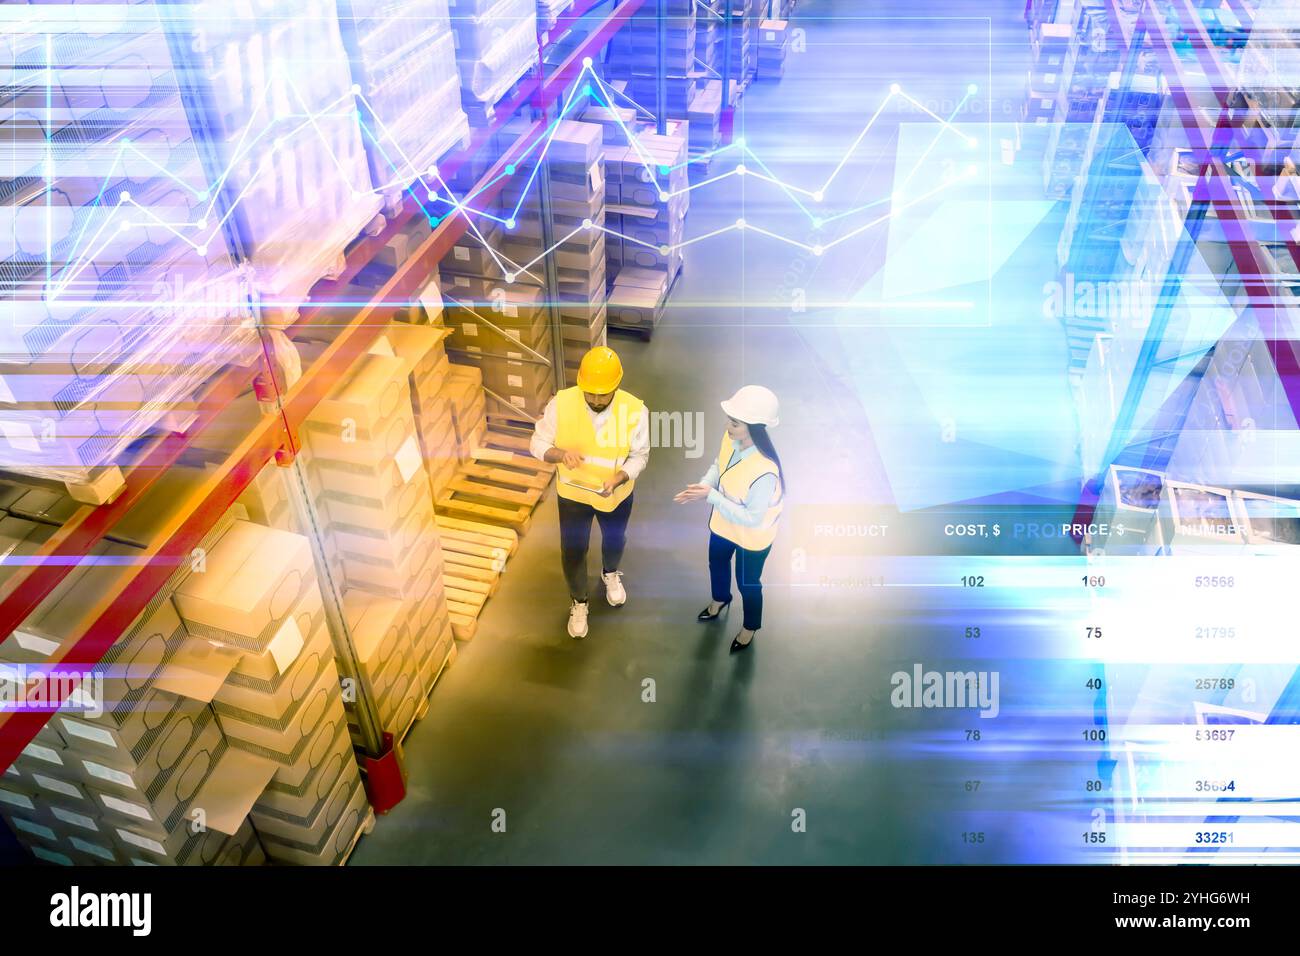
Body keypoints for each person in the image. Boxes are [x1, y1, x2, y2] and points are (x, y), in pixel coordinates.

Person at [531, 346, 649, 639]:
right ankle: (579, 601)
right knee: (572, 551)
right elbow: (537, 443)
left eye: (603, 394)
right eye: (590, 393)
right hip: (573, 496)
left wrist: (620, 477)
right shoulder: (562, 403)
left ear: (616, 386)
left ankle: (610, 573)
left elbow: (640, 455)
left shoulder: (636, 410)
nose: (596, 399)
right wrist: (559, 454)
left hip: (615, 496)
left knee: (614, 540)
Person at [674, 385, 784, 653]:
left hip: (752, 538)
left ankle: (750, 627)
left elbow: (752, 518)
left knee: (748, 583)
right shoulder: (730, 438)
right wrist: (703, 487)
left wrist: (712, 497)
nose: (728, 425)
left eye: (734, 422)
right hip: (723, 525)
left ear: (753, 427)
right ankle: (720, 599)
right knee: (717, 563)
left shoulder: (765, 472)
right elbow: (718, 466)